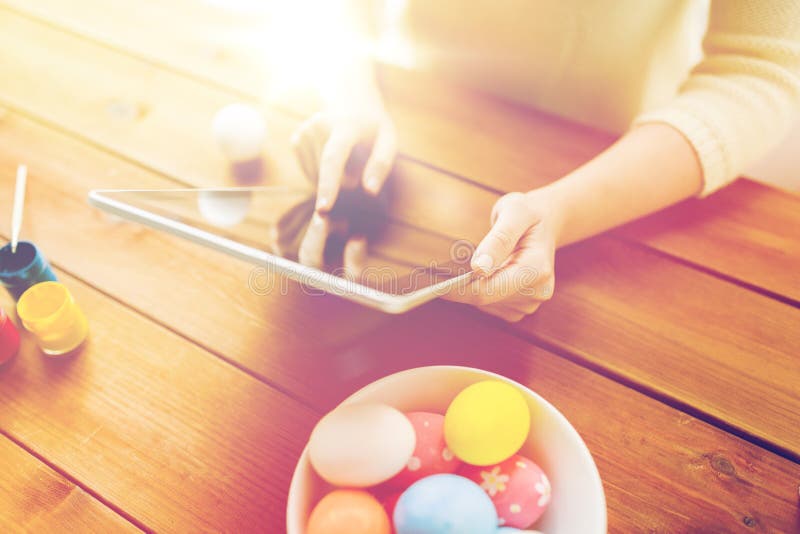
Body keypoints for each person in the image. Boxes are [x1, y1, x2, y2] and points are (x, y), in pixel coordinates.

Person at [291, 0, 800, 322]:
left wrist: (562, 212)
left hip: (614, 170)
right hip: (413, 134)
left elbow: (757, 70)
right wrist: (349, 93)